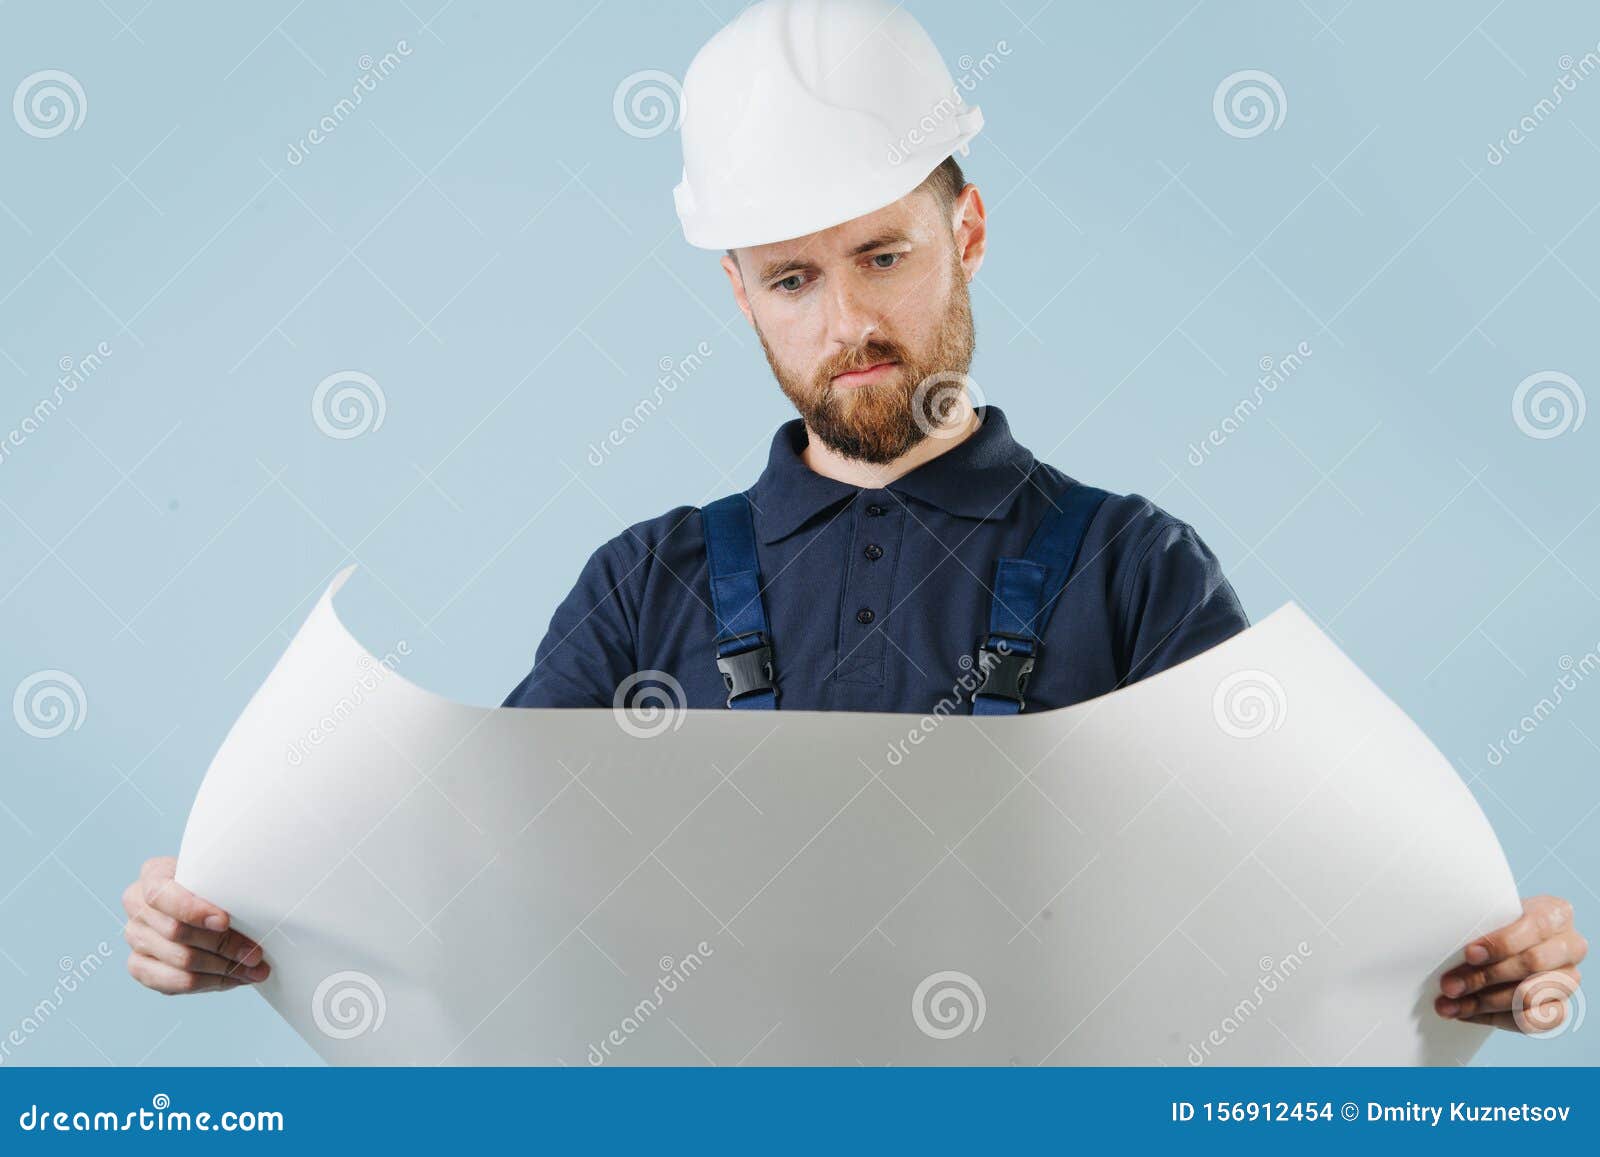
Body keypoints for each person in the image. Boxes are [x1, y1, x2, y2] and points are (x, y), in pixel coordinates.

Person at [124, 0, 1584, 1038]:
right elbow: (481, 896)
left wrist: (1480, 963)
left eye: (883, 254)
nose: (850, 323)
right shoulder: (647, 590)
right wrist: (249, 928)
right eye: (792, 279)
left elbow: (1291, 902)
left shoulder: (1137, 571)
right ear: (739, 291)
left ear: (969, 231)